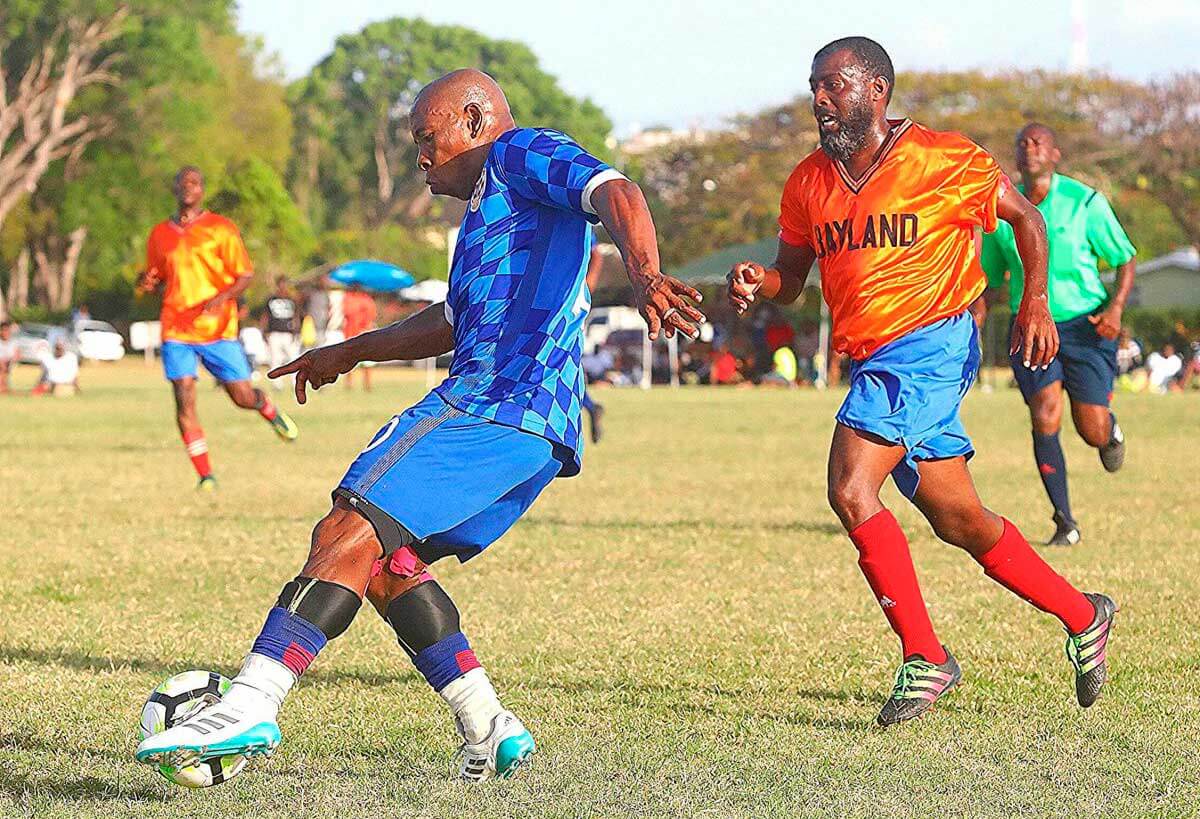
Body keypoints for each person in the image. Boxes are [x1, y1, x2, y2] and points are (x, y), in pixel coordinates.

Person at [136, 69, 702, 780]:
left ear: (474, 119)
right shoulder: (487, 219)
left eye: (427, 139)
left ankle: (250, 700)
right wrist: (349, 350)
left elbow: (615, 191)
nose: (422, 158)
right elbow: (448, 321)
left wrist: (646, 273)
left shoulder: (520, 153)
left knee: (346, 529)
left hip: (491, 402)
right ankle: (488, 724)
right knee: (381, 563)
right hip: (537, 426)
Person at [726, 37, 1116, 727]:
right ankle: (1085, 615)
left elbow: (1024, 218)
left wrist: (1033, 302)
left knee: (851, 485)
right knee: (958, 519)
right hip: (874, 358)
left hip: (932, 343)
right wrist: (763, 281)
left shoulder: (942, 156)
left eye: (833, 84)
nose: (818, 98)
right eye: (814, 85)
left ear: (876, 90)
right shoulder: (808, 181)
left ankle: (925, 655)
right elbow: (794, 280)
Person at [977, 123, 1137, 546]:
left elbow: (1124, 257)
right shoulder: (1003, 207)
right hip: (1029, 325)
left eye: (1038, 143)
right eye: (1021, 143)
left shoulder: (1085, 202)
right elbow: (990, 276)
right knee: (1045, 412)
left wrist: (1116, 308)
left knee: (1091, 429)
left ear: (1055, 154)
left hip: (1085, 325)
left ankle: (1110, 431)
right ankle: (1064, 521)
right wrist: (973, 316)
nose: (1029, 149)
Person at [137, 166, 299, 490]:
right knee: (183, 396)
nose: (188, 187)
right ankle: (205, 474)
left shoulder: (220, 228)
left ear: (202, 190)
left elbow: (245, 275)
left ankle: (266, 408)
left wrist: (221, 298)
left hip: (217, 330)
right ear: (174, 188)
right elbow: (156, 278)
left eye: (194, 182)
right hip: (176, 329)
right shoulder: (159, 234)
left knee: (240, 396)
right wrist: (145, 282)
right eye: (182, 182)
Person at [581, 237, 607, 442]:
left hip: (568, 299)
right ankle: (591, 406)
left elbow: (596, 253)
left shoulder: (573, 209)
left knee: (560, 359)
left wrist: (588, 286)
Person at [266, 276, 301, 392]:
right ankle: (277, 384)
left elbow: (296, 316)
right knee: (275, 359)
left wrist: (296, 331)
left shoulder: (291, 299)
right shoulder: (271, 299)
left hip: (288, 334)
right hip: (274, 333)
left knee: (293, 358)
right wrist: (264, 332)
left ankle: (295, 382)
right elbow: (265, 317)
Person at [341, 286, 377, 391]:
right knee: (353, 361)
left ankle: (364, 384)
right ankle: (352, 384)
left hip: (358, 332)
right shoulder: (364, 300)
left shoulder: (353, 299)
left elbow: (370, 316)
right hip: (355, 332)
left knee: (364, 361)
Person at [0, 320, 17, 393]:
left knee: (5, 368)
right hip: (2, 362)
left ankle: (4, 386)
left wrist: (13, 359)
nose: (5, 333)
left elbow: (17, 353)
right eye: (3, 330)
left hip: (7, 362)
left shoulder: (13, 342)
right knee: (2, 368)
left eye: (7, 330)